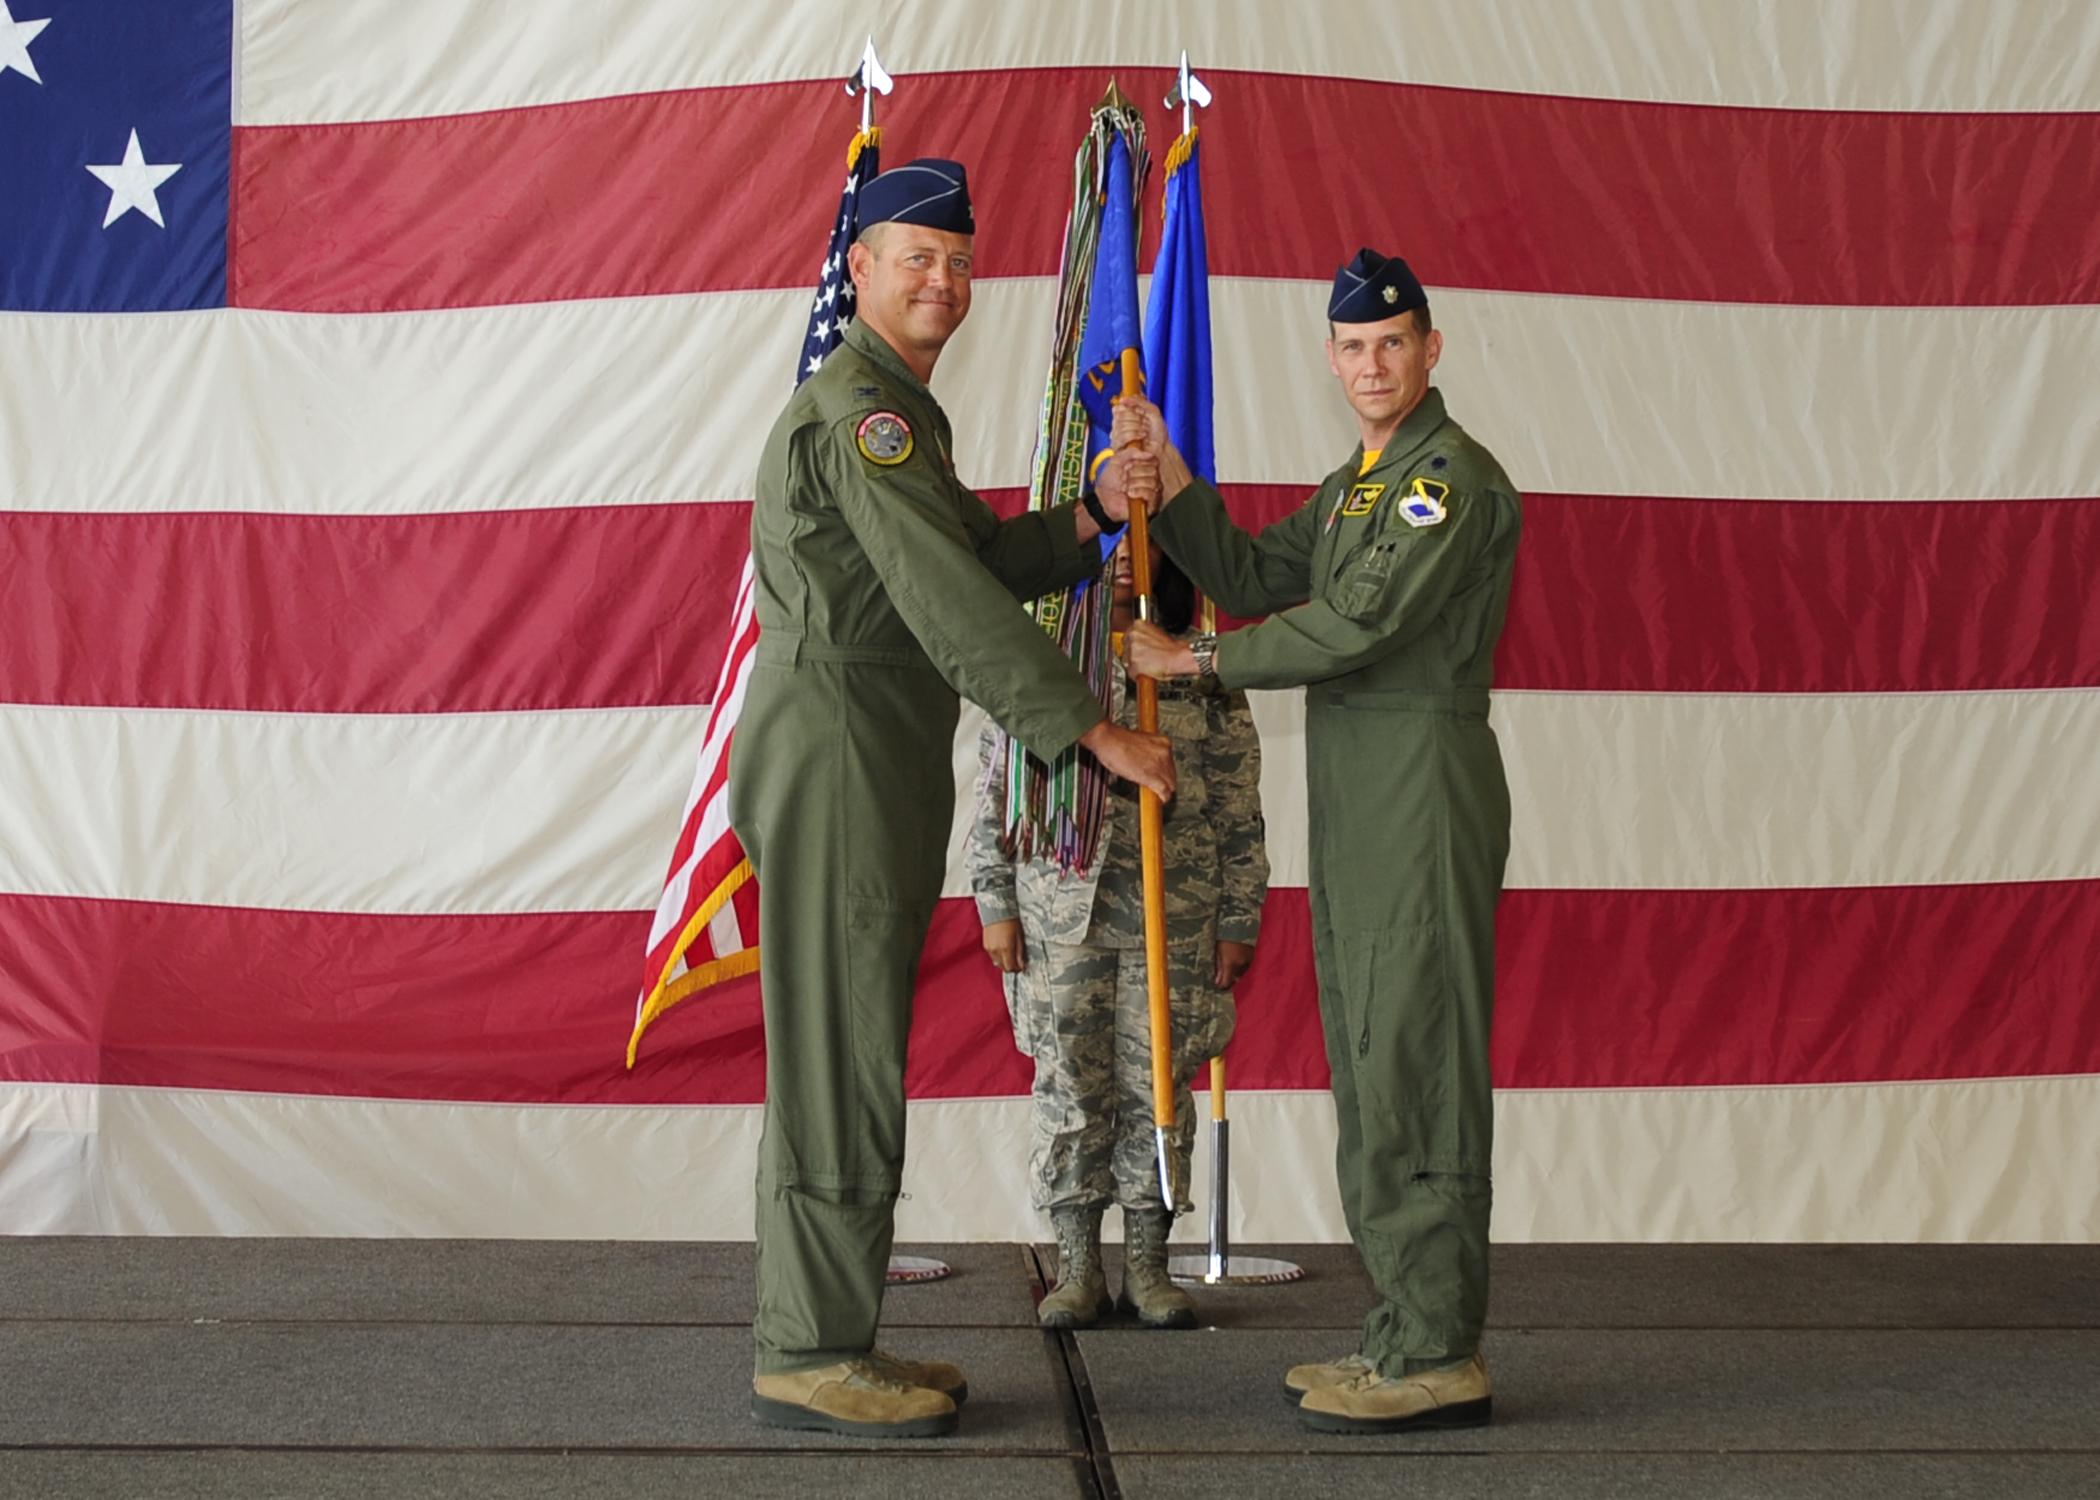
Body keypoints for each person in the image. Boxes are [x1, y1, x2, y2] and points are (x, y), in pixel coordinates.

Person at [730, 157, 1173, 1439]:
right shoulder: (862, 412)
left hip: (869, 742)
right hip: (840, 744)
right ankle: (810, 1344)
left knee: (853, 1033)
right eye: (915, 256)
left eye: (961, 259)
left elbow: (970, 552)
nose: (945, 279)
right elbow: (946, 596)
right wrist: (1088, 730)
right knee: (838, 1047)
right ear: (857, 267)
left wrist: (1089, 514)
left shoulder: (898, 412)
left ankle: (830, 1328)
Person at [1116, 247, 1522, 1434]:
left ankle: (1439, 1348)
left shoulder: (1446, 482)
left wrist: (1192, 659)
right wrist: (1174, 474)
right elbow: (1246, 571)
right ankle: (1402, 1330)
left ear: (1431, 349)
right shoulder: (1362, 484)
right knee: (1371, 1054)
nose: (1370, 364)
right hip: (1357, 793)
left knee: (1419, 1059)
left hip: (1420, 788)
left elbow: (1351, 625)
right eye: (1351, 346)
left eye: (1392, 342)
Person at [967, 534, 1268, 1331]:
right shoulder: (1039, 663)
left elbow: (1239, 811)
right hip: (1060, 917)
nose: (1129, 554)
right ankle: (1076, 1267)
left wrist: (1239, 917)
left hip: (1176, 916)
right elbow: (995, 797)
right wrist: (994, 901)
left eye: (1146, 537)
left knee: (1158, 1087)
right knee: (1070, 1087)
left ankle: (1146, 1265)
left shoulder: (1199, 673)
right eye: (1112, 537)